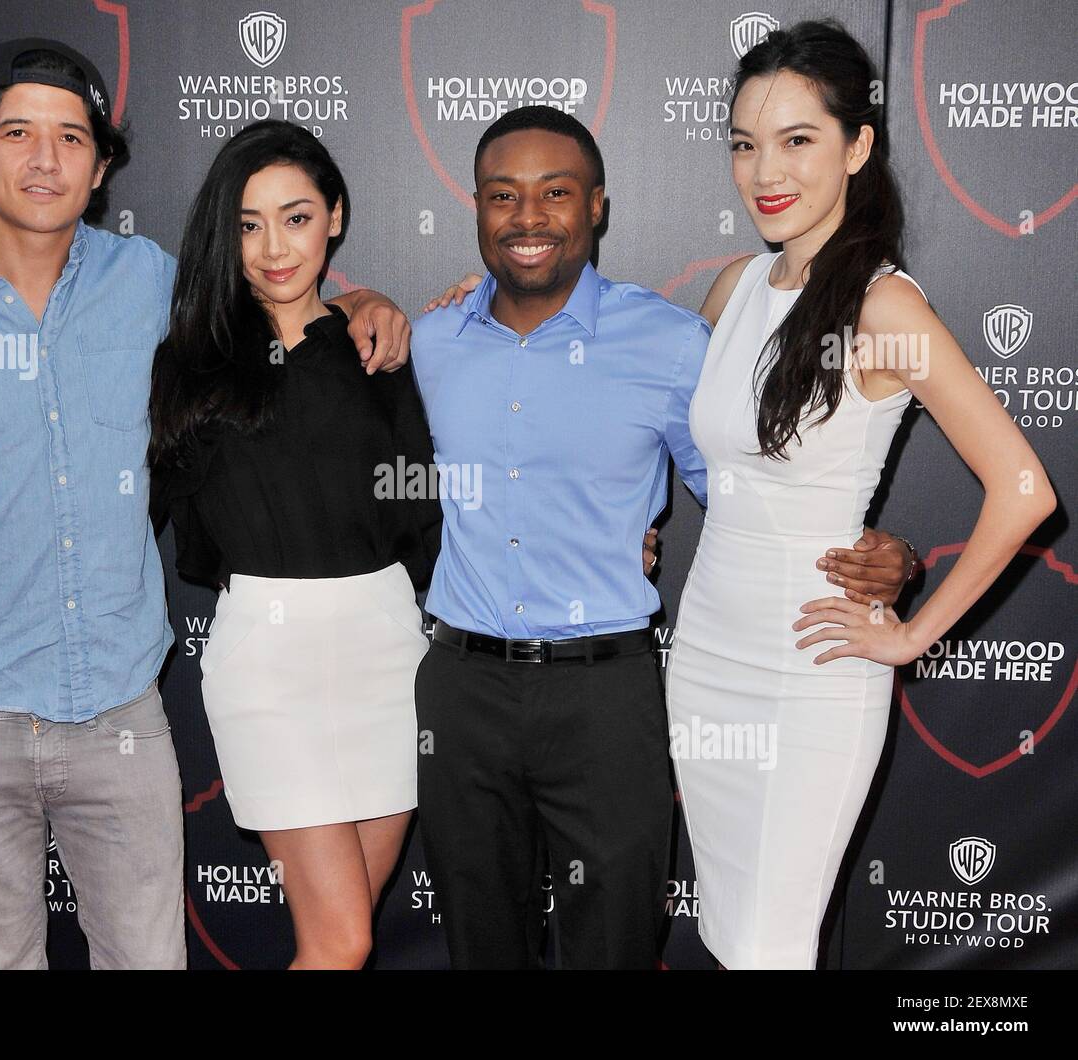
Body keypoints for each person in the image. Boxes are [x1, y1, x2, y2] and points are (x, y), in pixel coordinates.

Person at [0, 38, 409, 971]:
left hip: (119, 714)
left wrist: (370, 297)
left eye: (70, 137)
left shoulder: (155, 286)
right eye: (18, 133)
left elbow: (279, 300)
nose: (44, 159)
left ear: (99, 167)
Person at [409, 105, 914, 969]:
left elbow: (754, 491)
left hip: (606, 700)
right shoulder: (428, 339)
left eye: (555, 193)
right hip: (460, 695)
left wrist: (880, 550)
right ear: (477, 207)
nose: (528, 218)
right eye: (503, 196)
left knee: (616, 946)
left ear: (596, 206)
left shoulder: (676, 344)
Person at [665, 20, 1055, 969]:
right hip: (706, 655)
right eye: (745, 144)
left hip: (811, 669)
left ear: (858, 146)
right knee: (729, 936)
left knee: (770, 946)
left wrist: (913, 634)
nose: (767, 169)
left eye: (799, 140)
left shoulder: (885, 306)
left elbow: (1022, 487)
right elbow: (648, 411)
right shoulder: (734, 289)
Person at [144, 120, 442, 969]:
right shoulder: (190, 365)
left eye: (297, 217)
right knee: (342, 941)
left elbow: (430, 506)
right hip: (267, 664)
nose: (274, 247)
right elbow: (121, 504)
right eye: (248, 224)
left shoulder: (377, 350)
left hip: (387, 651)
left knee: (334, 941)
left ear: (336, 217)